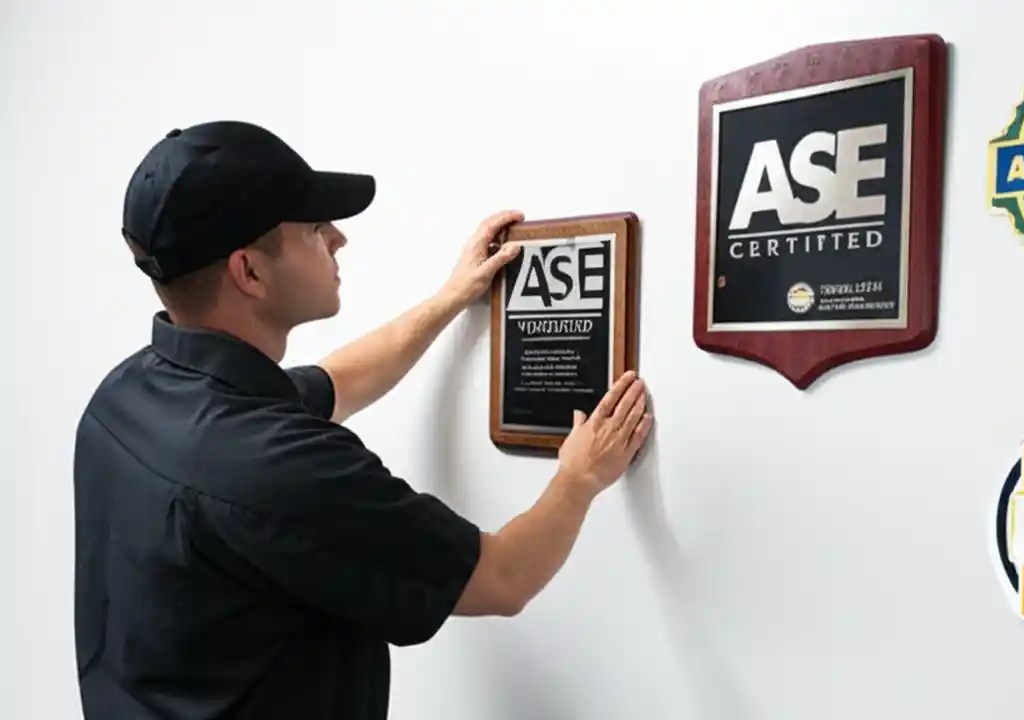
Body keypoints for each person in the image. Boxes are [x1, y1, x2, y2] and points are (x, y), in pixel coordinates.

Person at [72, 120, 653, 719]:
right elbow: (505, 577)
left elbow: (336, 381)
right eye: (314, 228)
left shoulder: (126, 398)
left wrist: (451, 297)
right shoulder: (277, 468)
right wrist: (579, 478)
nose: (339, 239)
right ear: (249, 272)